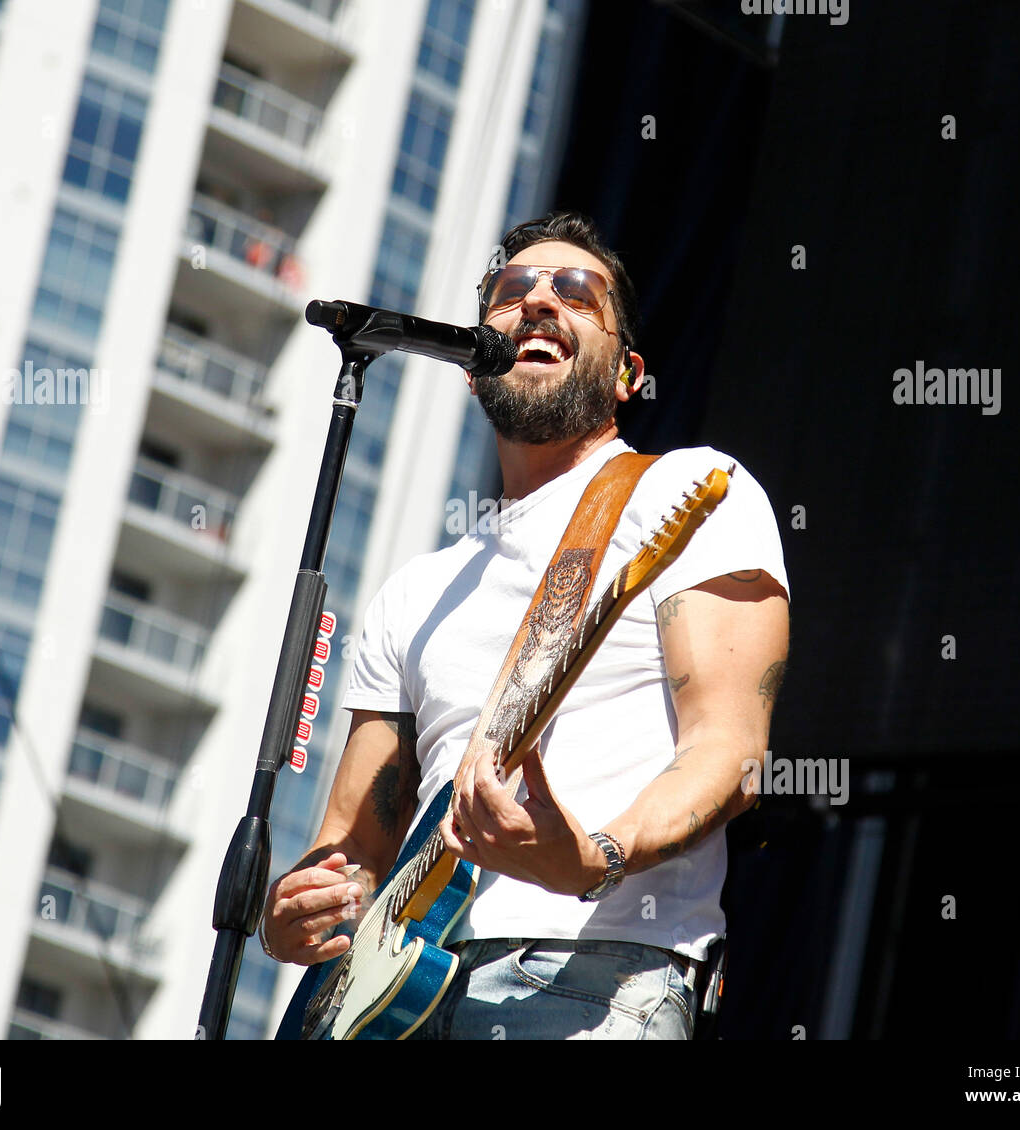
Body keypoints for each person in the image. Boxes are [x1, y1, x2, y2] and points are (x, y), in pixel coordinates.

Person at [261, 212, 790, 1040]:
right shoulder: (417, 592)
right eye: (512, 293)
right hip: (391, 1003)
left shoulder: (687, 493)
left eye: (578, 293)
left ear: (627, 373)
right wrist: (300, 909)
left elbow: (730, 751)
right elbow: (352, 846)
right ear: (473, 369)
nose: (540, 303)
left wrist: (591, 858)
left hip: (591, 972)